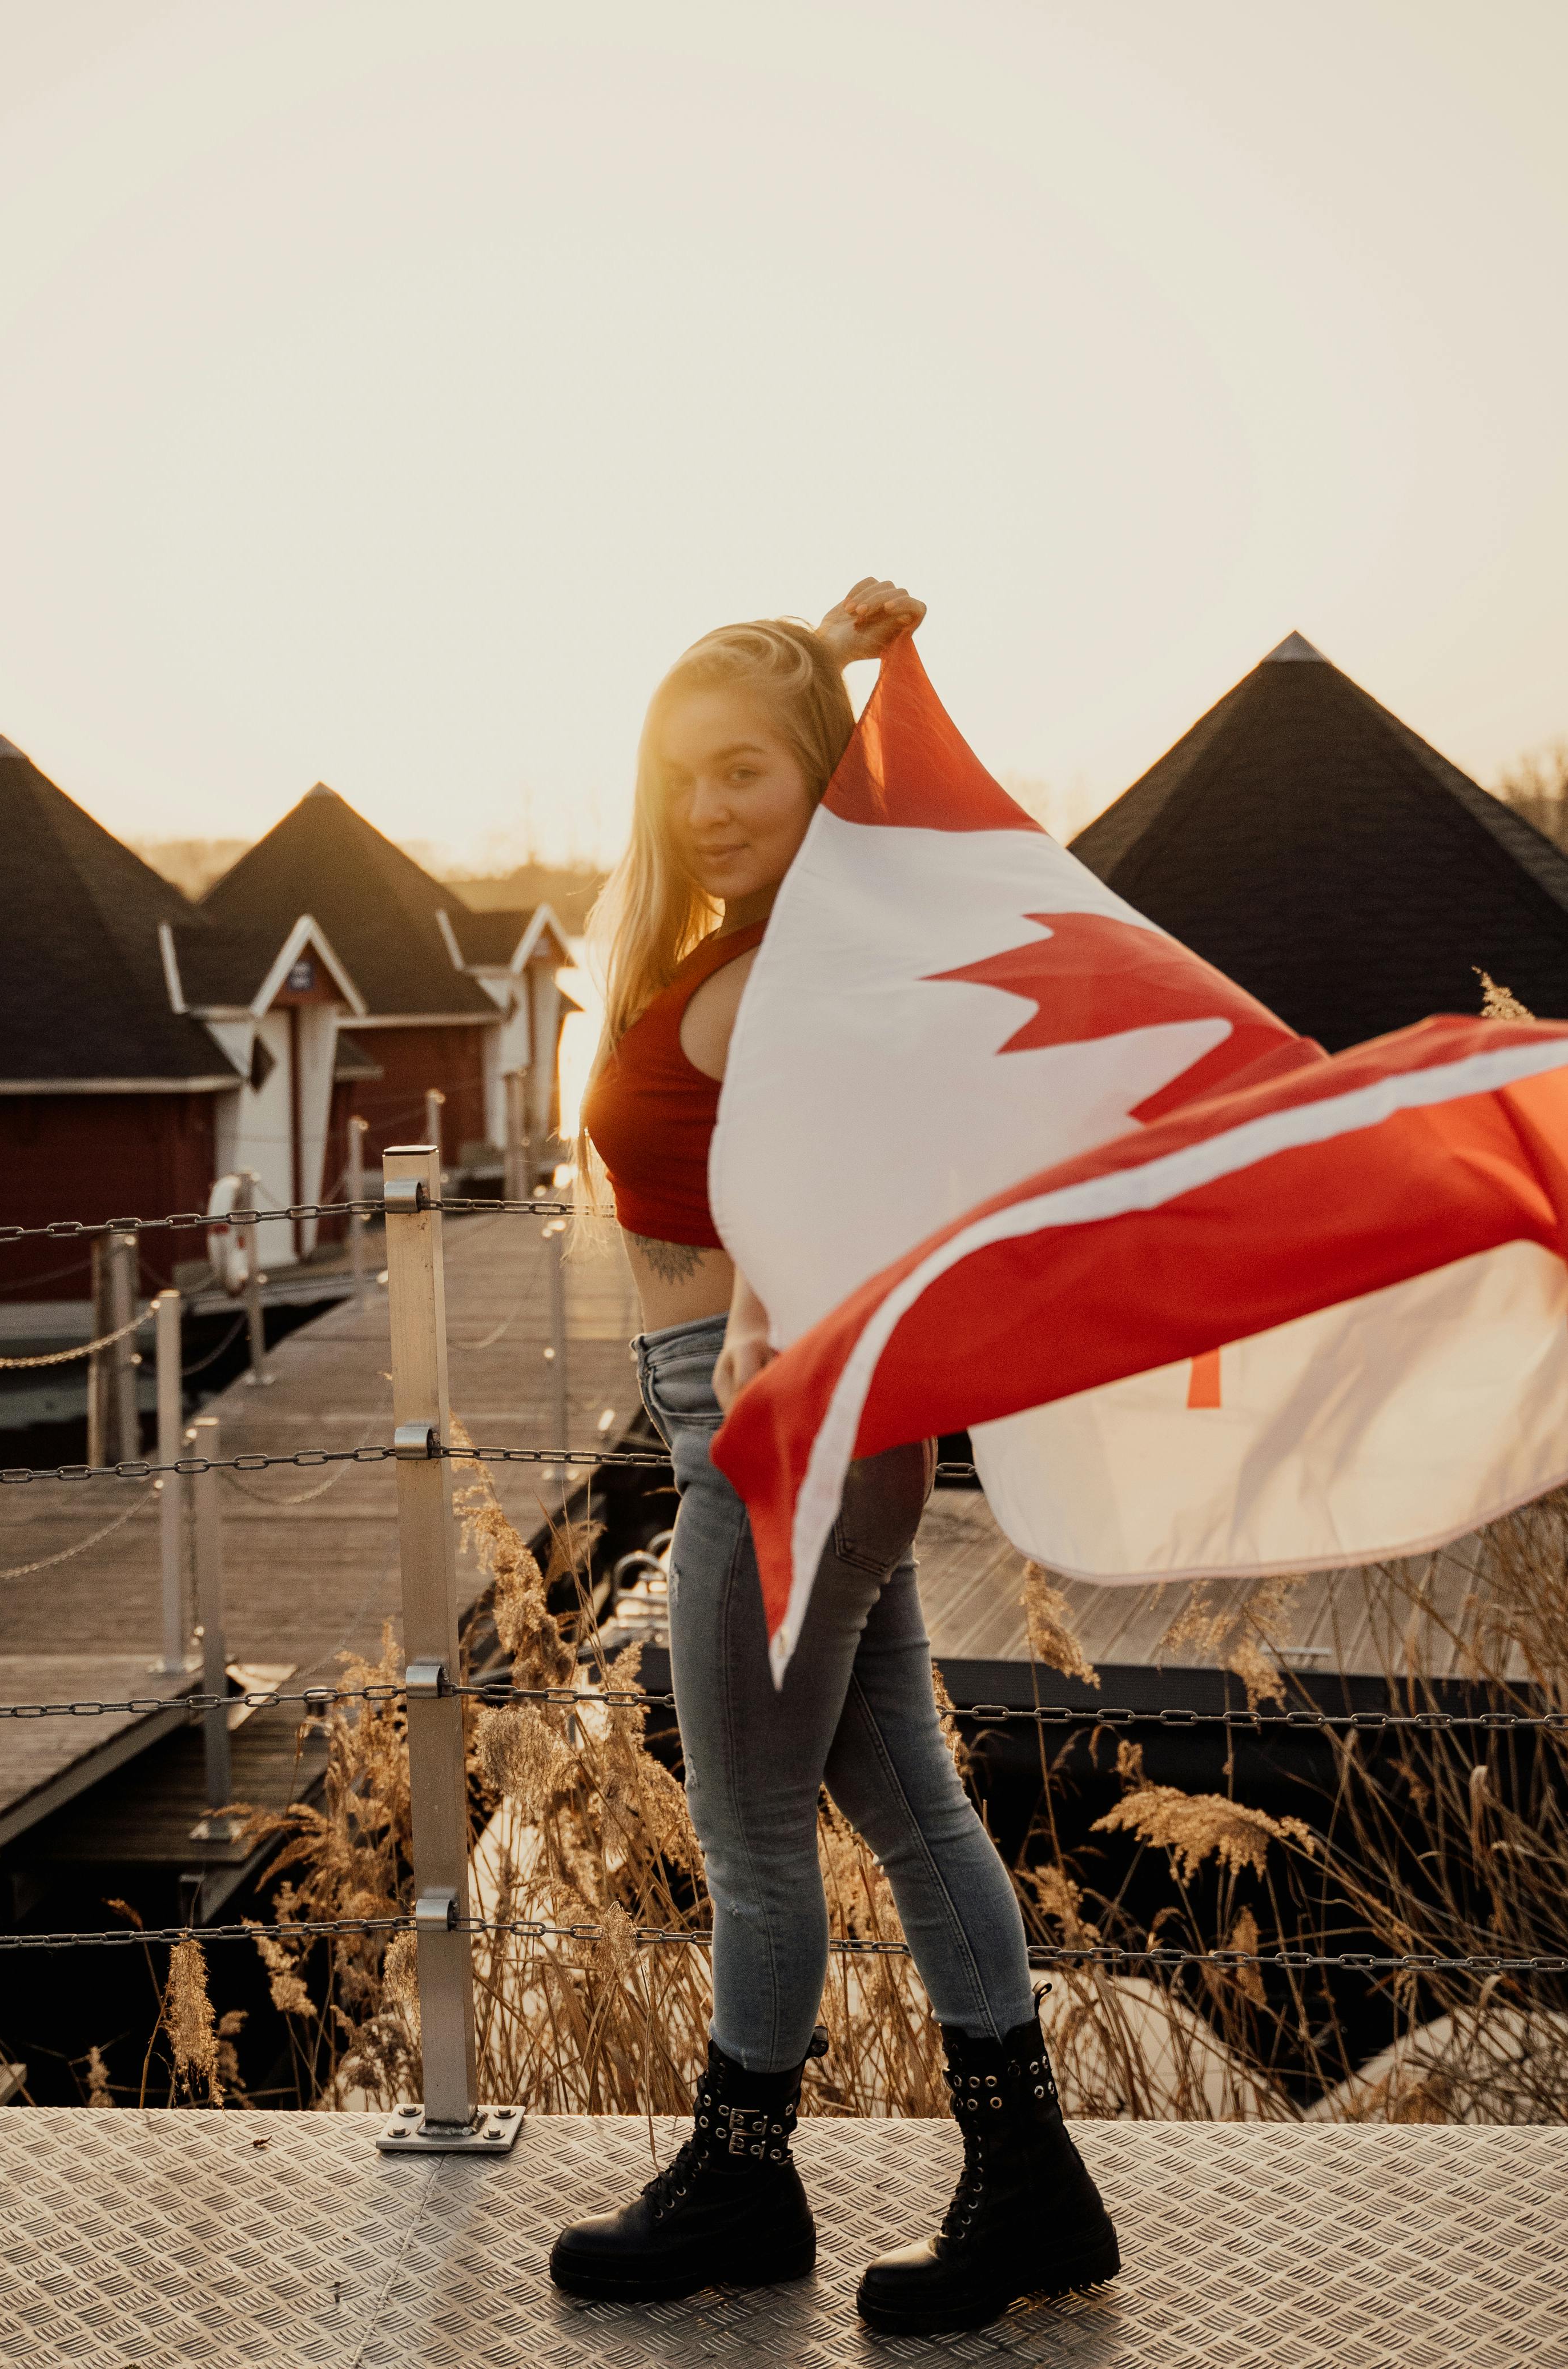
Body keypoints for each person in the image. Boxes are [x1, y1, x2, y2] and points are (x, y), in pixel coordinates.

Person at [550, 582, 1119, 2336]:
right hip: (799, 1433)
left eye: (750, 775)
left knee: (750, 1830)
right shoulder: (757, 945)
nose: (711, 806)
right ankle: (1030, 2183)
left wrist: (874, 693)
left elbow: (876, 1152)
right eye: (682, 777)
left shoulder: (814, 966)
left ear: (825, 786)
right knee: (906, 1801)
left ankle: (742, 2175)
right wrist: (826, 645)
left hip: (776, 1432)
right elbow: (783, 744)